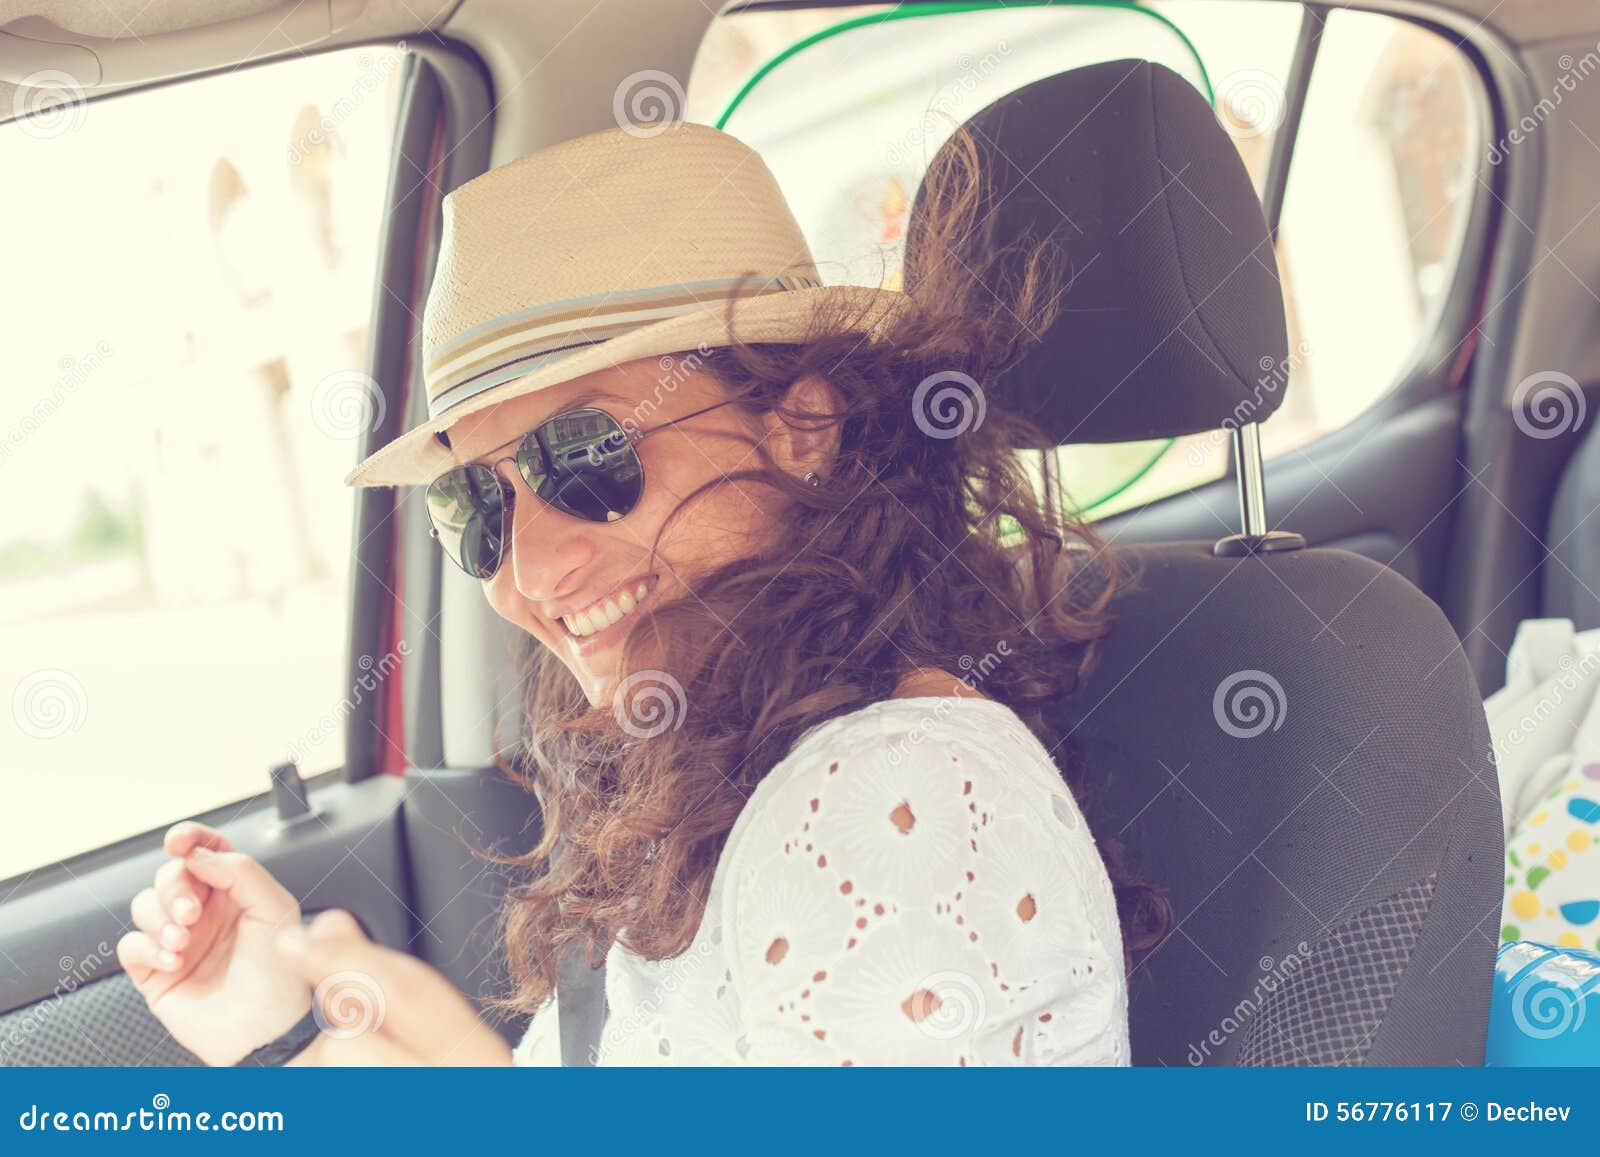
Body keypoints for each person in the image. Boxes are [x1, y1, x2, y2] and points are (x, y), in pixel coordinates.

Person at [118, 121, 1166, 1066]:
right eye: (474, 505)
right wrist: (296, 1027)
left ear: (801, 426)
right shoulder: (732, 772)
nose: (530, 571)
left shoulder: (889, 797)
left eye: (586, 457)